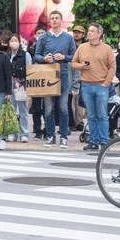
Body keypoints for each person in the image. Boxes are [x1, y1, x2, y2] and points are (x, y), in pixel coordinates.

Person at [32, 9, 77, 148]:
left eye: (57, 18)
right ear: (50, 21)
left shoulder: (68, 38)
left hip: (62, 74)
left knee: (63, 107)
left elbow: (74, 56)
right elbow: (36, 56)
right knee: (49, 108)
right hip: (47, 74)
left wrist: (64, 57)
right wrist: (44, 58)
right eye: (52, 18)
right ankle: (50, 136)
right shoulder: (43, 37)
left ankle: (63, 136)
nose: (54, 20)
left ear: (61, 20)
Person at [73, 22, 115, 152]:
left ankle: (103, 141)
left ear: (99, 33)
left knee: (102, 114)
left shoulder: (107, 48)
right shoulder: (82, 48)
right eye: (89, 31)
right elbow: (73, 63)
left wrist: (106, 82)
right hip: (86, 84)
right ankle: (93, 141)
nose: (89, 33)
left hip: (101, 85)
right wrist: (81, 66)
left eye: (92, 31)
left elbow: (112, 66)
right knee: (91, 115)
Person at [7, 33, 30, 142]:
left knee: (23, 110)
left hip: (21, 84)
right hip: (9, 85)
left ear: (19, 42)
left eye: (15, 40)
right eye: (11, 41)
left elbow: (30, 71)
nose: (13, 43)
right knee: (10, 109)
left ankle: (24, 133)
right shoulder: (6, 55)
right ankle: (12, 132)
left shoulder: (26, 55)